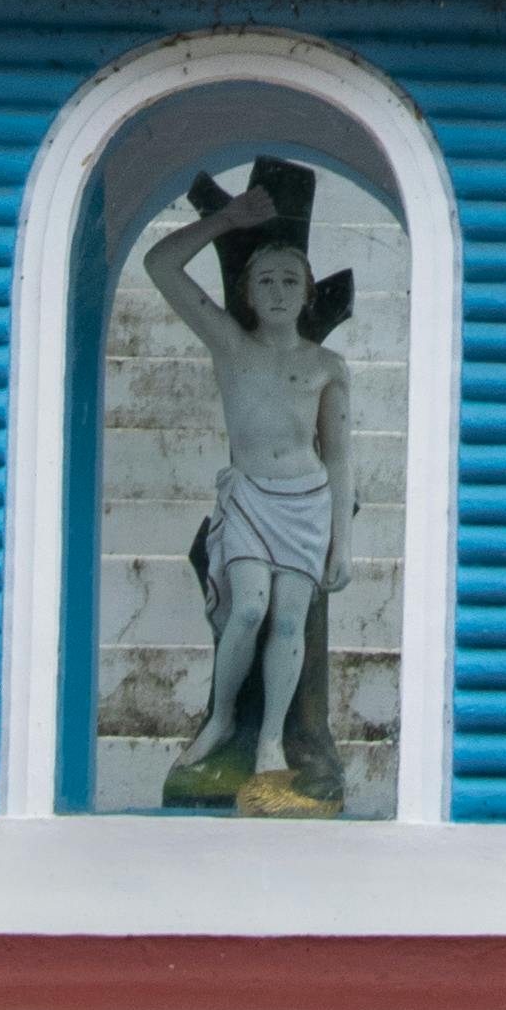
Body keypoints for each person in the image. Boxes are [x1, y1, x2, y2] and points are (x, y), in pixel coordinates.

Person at [143, 168, 355, 809]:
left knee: (290, 617)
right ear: (247, 291)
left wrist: (340, 545)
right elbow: (160, 264)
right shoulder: (229, 343)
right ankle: (222, 716)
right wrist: (226, 219)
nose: (279, 289)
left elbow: (340, 457)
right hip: (249, 500)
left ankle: (271, 743)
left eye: (291, 279)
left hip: (307, 502)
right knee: (247, 608)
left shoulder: (325, 366)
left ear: (309, 292)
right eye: (265, 279)